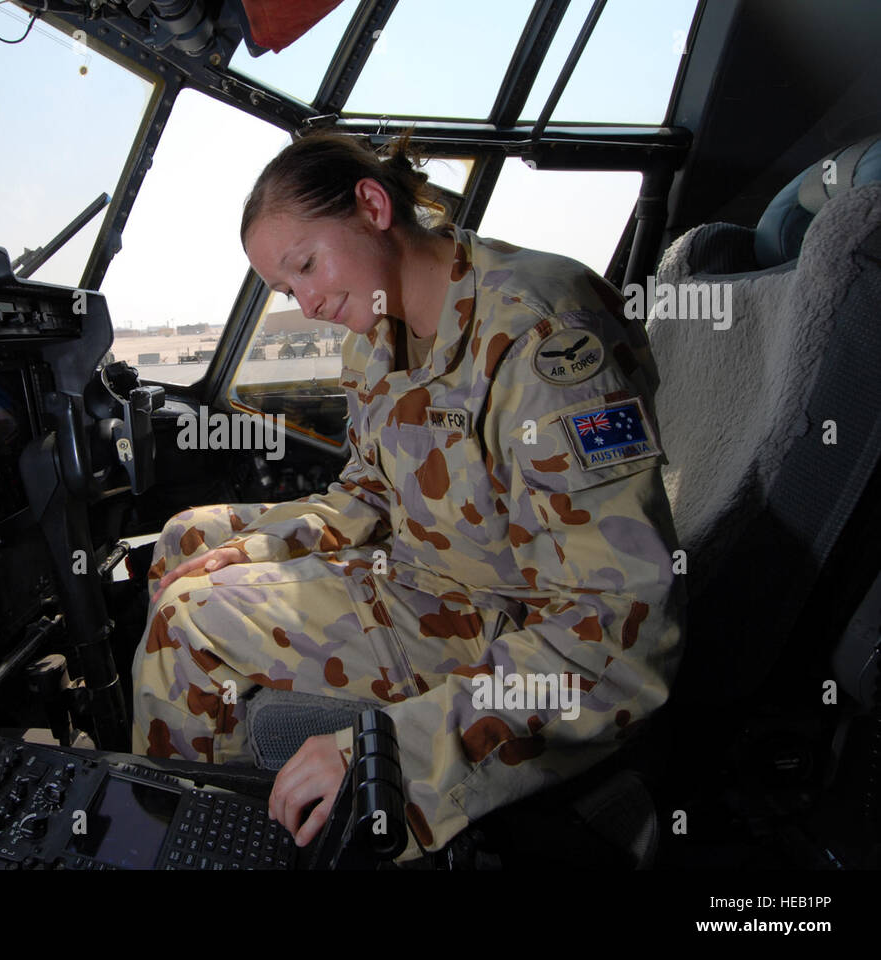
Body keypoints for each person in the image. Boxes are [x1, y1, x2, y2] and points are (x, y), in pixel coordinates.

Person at [130, 131, 684, 863]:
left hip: (516, 622)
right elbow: (367, 493)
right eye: (288, 291)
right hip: (423, 573)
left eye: (306, 266)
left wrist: (398, 748)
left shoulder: (542, 331)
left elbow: (621, 634)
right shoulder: (377, 329)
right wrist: (245, 550)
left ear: (370, 204)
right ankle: (232, 813)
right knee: (183, 542)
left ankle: (199, 846)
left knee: (186, 621)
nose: (309, 303)